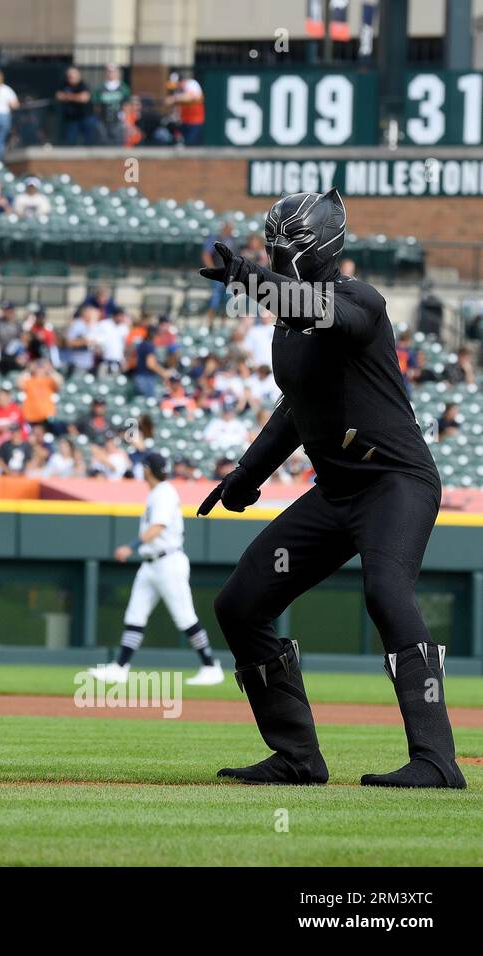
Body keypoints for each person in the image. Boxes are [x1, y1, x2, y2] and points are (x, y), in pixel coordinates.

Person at [198, 188, 466, 789]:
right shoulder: (287, 326)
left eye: (288, 241)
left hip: (395, 481)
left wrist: (255, 281)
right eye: (273, 241)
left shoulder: (359, 301)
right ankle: (297, 757)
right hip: (339, 488)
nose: (277, 250)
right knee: (239, 604)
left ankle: (436, 761)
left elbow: (319, 311)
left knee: (386, 593)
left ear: (322, 245)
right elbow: (298, 407)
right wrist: (247, 474)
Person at [88, 454, 223, 684]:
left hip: (168, 562)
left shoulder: (164, 492)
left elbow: (158, 527)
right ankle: (120, 667)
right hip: (150, 563)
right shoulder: (157, 492)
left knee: (184, 617)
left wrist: (130, 547)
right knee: (135, 615)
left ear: (148, 469)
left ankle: (210, 667)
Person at [56, 67, 95, 146]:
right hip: (71, 119)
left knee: (89, 141)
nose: (71, 77)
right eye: (69, 75)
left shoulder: (83, 85)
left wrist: (68, 97)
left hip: (85, 117)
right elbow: (58, 96)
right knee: (70, 141)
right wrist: (75, 97)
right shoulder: (64, 84)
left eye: (73, 75)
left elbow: (84, 98)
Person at [94, 64, 131, 145]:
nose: (111, 73)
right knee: (103, 143)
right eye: (109, 71)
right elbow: (96, 105)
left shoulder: (123, 88)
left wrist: (126, 119)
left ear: (117, 73)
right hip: (103, 120)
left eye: (113, 71)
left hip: (118, 121)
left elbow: (127, 105)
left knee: (118, 143)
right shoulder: (99, 88)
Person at [166, 71, 205, 146]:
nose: (176, 86)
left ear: (182, 81)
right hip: (183, 120)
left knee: (191, 144)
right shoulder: (178, 90)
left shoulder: (191, 84)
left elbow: (191, 97)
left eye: (177, 84)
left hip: (195, 121)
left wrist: (174, 98)